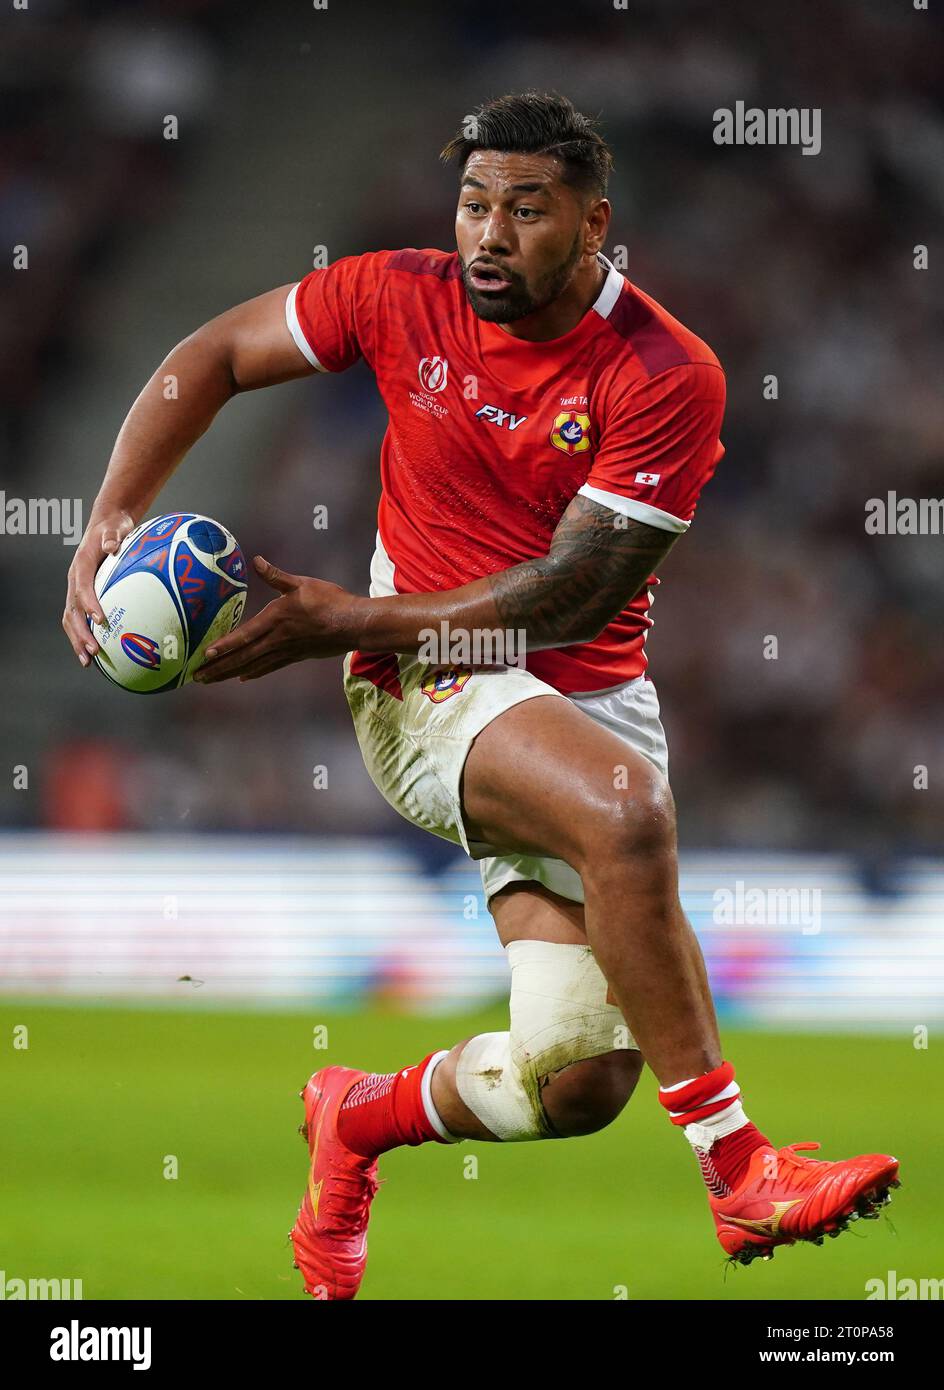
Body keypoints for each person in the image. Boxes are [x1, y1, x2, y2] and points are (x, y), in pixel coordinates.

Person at [63, 92, 899, 1300]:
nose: (487, 235)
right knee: (625, 815)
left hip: (576, 688)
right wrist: (109, 515)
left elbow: (563, 599)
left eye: (525, 209)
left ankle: (356, 1117)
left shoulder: (667, 372)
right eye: (471, 204)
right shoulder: (395, 295)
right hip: (423, 679)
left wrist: (334, 616)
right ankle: (738, 1172)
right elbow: (213, 357)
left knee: (578, 1084)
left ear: (592, 224)